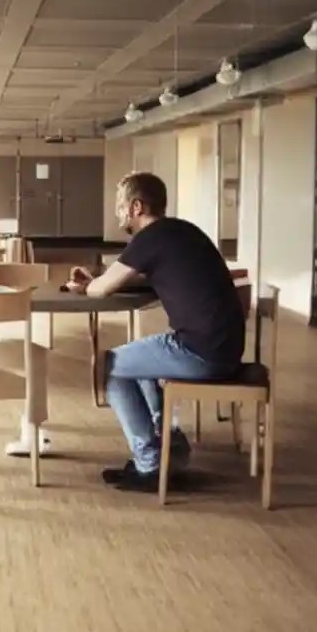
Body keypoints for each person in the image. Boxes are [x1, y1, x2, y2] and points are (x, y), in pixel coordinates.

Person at [65, 172, 246, 492]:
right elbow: (142, 276)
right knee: (140, 361)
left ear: (136, 207)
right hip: (225, 348)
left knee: (108, 365)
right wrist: (101, 281)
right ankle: (170, 451)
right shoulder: (181, 231)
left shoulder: (148, 238)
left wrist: (87, 285)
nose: (118, 214)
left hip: (199, 352)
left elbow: (101, 290)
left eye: (121, 206)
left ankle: (149, 464)